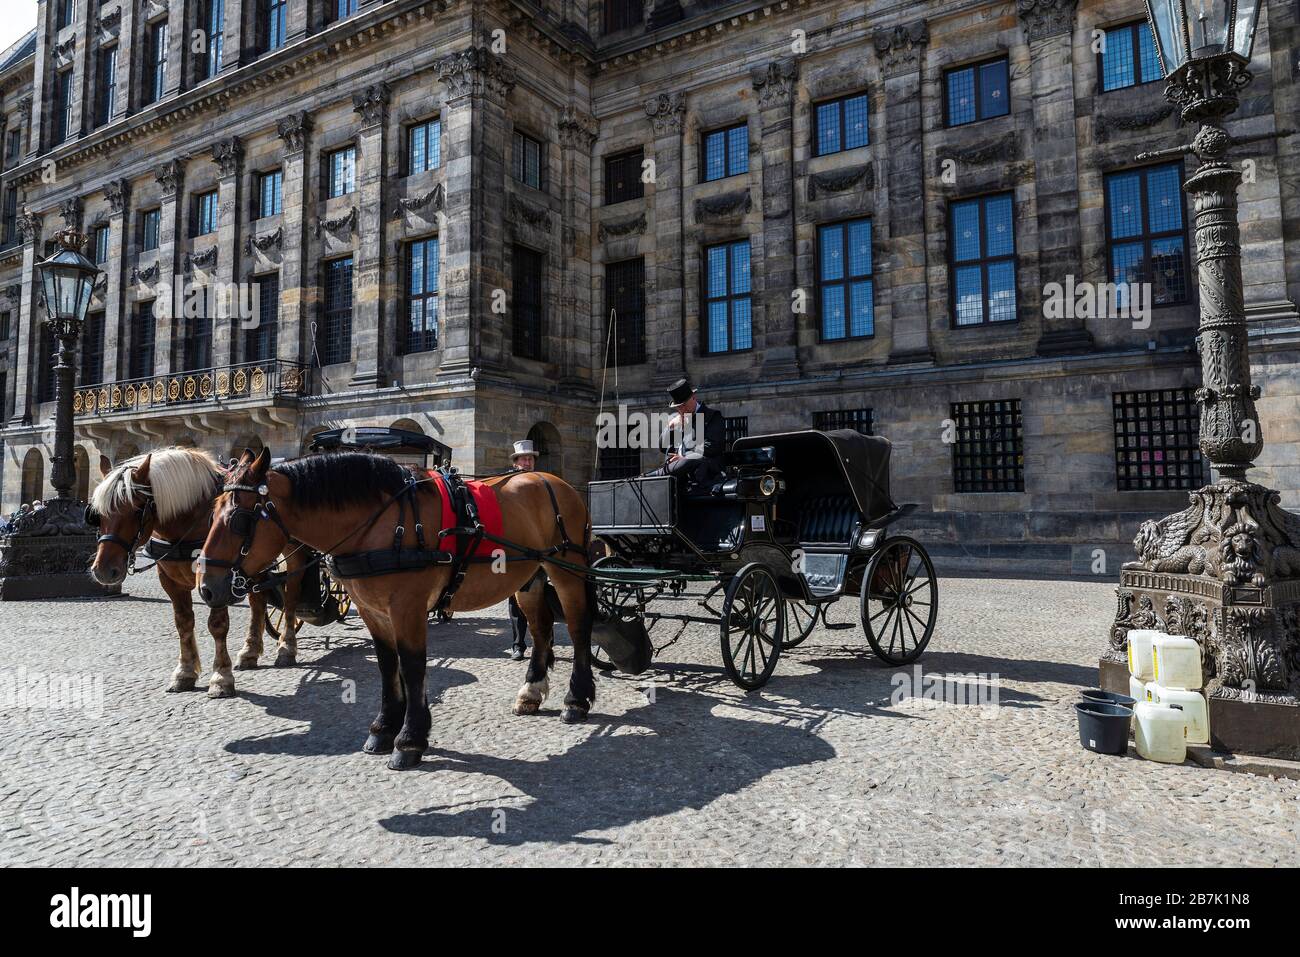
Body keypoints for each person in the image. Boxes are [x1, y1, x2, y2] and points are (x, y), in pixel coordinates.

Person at [649, 378, 726, 487]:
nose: (682, 409)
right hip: (679, 474)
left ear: (693, 398)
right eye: (679, 407)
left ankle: (654, 475)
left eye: (684, 405)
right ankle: (651, 476)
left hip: (704, 469)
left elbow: (713, 446)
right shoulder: (678, 420)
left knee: (688, 460)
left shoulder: (712, 416)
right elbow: (662, 447)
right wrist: (670, 427)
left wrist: (683, 456)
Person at [507, 439, 537, 661]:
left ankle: (545, 639)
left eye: (530, 458)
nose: (528, 462)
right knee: (515, 598)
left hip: (539, 545)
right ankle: (518, 644)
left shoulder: (541, 482)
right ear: (516, 462)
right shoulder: (508, 482)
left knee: (542, 593)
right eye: (524, 459)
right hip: (515, 547)